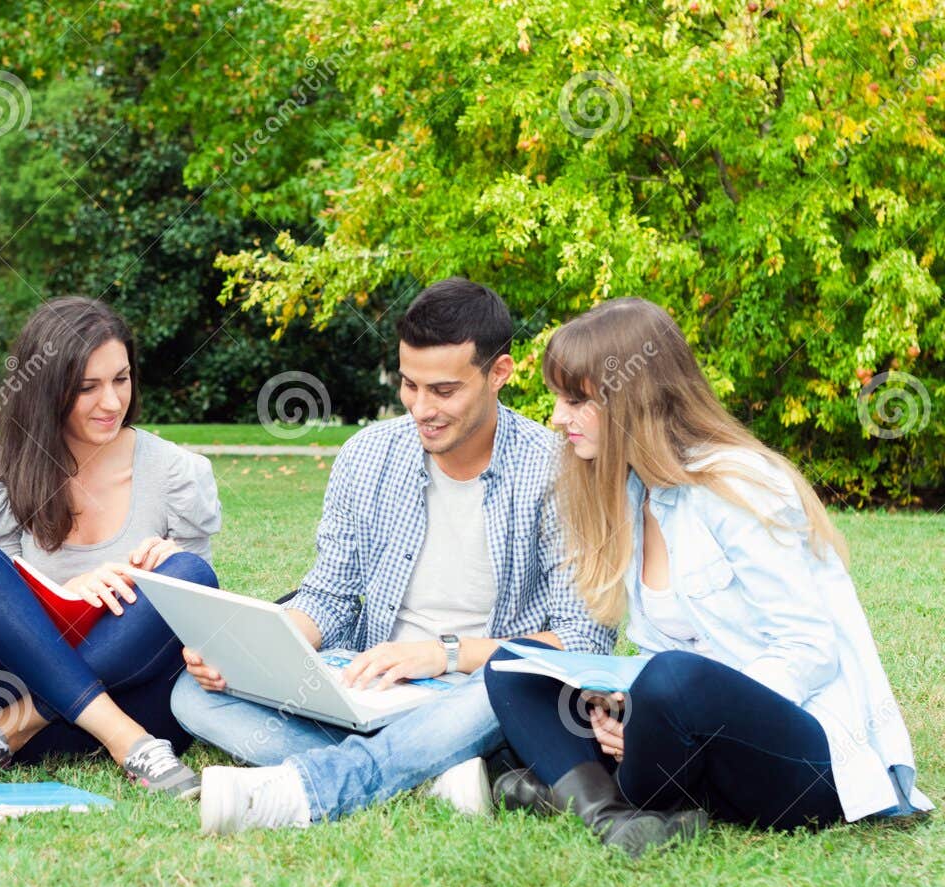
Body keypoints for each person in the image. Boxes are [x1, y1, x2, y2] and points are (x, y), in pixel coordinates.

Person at [484, 297, 933, 857]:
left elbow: (809, 648)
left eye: (576, 400)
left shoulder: (736, 483)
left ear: (632, 399)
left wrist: (660, 717)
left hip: (804, 757)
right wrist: (623, 708)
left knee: (675, 681)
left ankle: (566, 788)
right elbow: (655, 653)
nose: (556, 417)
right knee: (511, 664)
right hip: (684, 739)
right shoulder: (631, 492)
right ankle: (613, 816)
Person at [172, 277, 616, 832]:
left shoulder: (557, 471)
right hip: (373, 686)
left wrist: (444, 654)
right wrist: (255, 651)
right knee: (194, 693)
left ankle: (321, 786)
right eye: (410, 385)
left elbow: (584, 641)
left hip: (483, 691)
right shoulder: (367, 455)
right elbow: (329, 595)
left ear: (498, 373)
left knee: (504, 683)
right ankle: (432, 775)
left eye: (444, 391)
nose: (421, 408)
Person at [0, 296, 220, 797]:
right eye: (88, 387)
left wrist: (165, 571)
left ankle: (21, 723)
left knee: (191, 574)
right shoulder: (0, 473)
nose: (111, 403)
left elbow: (199, 625)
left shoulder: (177, 472)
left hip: (129, 705)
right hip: (10, 690)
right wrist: (71, 589)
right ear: (46, 389)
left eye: (121, 379)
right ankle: (121, 740)